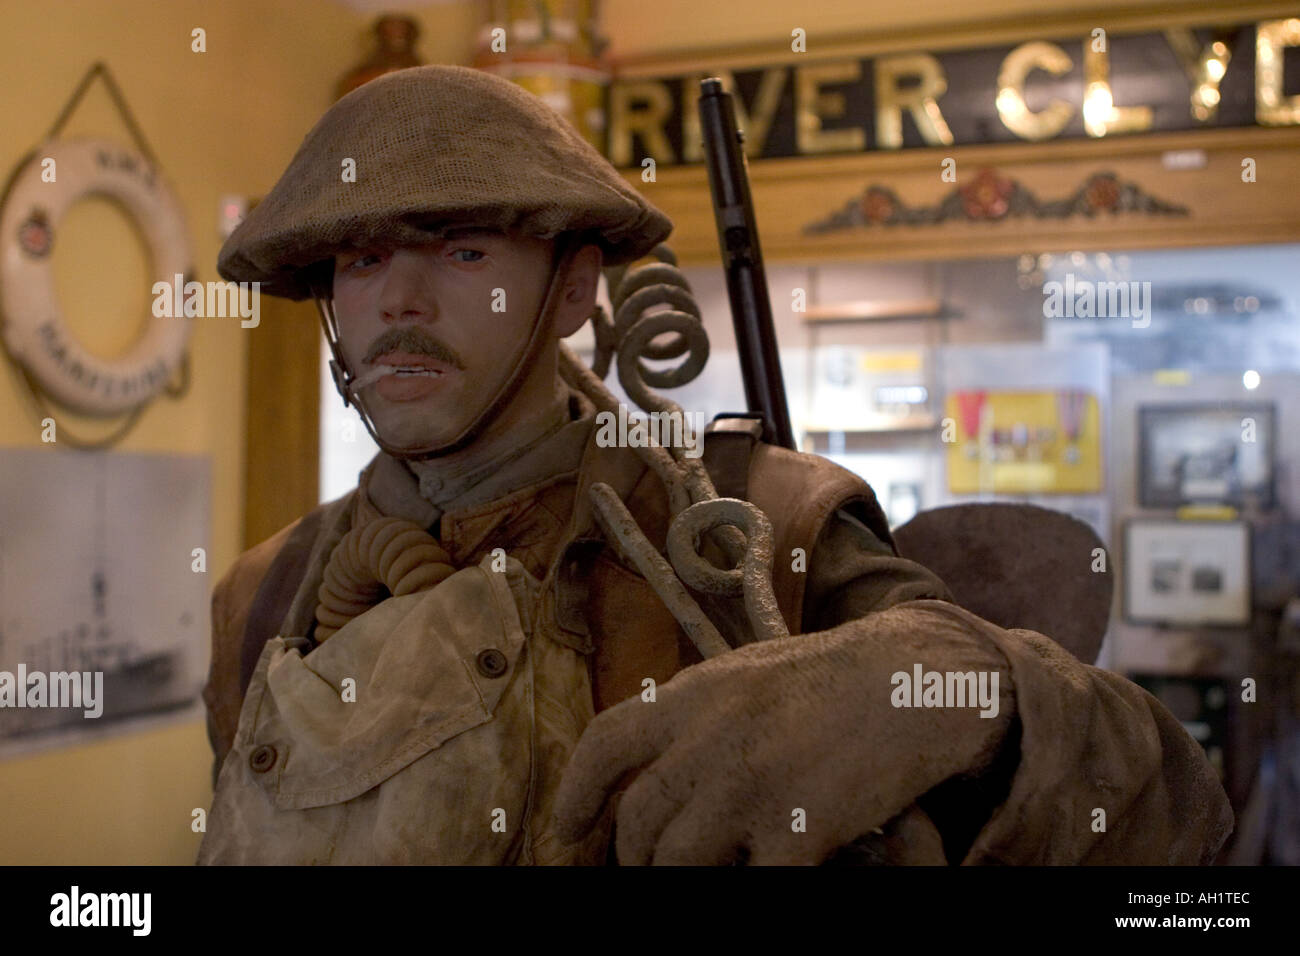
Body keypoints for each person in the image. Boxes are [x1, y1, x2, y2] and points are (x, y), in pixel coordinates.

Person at [197, 65, 1232, 865]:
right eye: (362, 260)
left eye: (465, 251)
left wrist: (963, 694)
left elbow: (1172, 808)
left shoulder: (756, 531)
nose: (399, 301)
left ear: (572, 291)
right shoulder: (266, 596)